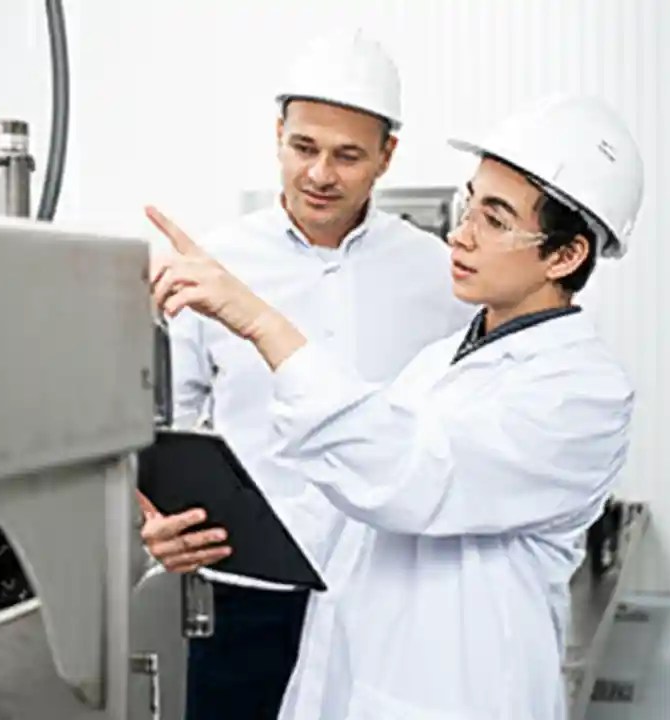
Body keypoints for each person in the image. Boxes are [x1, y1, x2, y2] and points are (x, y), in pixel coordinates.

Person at [145, 93, 645, 719]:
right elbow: (349, 501)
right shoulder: (440, 364)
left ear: (566, 255)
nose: (460, 234)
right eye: (470, 204)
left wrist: (258, 321)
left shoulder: (582, 392)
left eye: (494, 219)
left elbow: (406, 475)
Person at [135, 28, 474, 720]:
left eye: (348, 155)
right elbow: (166, 433)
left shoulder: (439, 276)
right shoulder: (219, 263)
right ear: (278, 136)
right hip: (243, 594)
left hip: (388, 598)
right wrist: (153, 521)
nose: (321, 174)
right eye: (304, 148)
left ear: (387, 155)